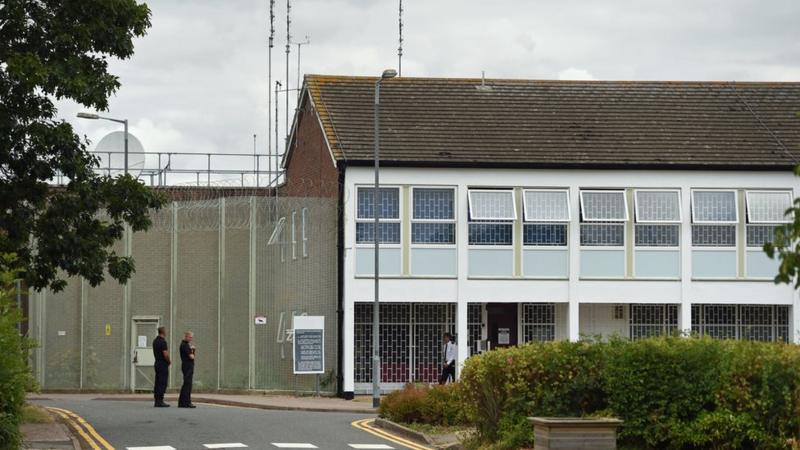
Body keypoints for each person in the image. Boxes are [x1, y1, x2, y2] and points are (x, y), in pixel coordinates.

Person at [152, 326, 171, 407]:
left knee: (157, 382)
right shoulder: (163, 342)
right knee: (162, 382)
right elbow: (165, 354)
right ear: (163, 332)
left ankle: (157, 400)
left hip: (157, 363)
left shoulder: (155, 341)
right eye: (166, 331)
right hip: (163, 364)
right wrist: (169, 361)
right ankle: (160, 401)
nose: (167, 332)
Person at [178, 331, 196, 408]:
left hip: (186, 365)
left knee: (186, 384)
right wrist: (193, 350)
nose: (191, 339)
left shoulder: (185, 345)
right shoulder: (185, 345)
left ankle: (182, 402)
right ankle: (186, 402)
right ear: (187, 336)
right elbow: (192, 357)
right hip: (187, 366)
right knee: (188, 385)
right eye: (190, 337)